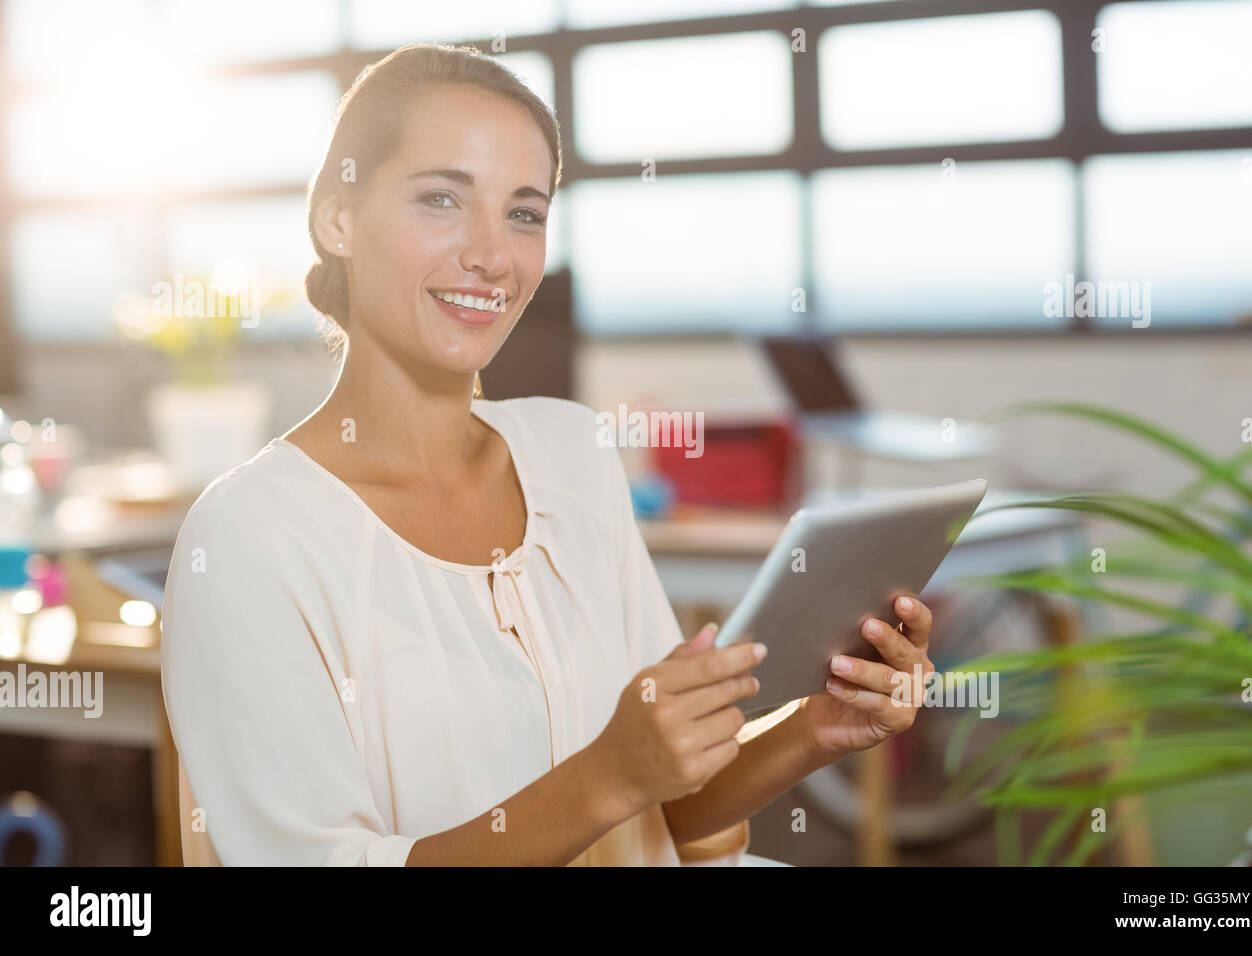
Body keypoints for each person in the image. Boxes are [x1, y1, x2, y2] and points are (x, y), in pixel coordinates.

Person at [160, 42, 937, 866]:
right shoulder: (249, 537)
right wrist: (606, 775)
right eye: (440, 200)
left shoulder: (572, 452)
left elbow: (667, 809)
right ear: (337, 219)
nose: (493, 255)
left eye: (524, 213)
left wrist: (817, 728)